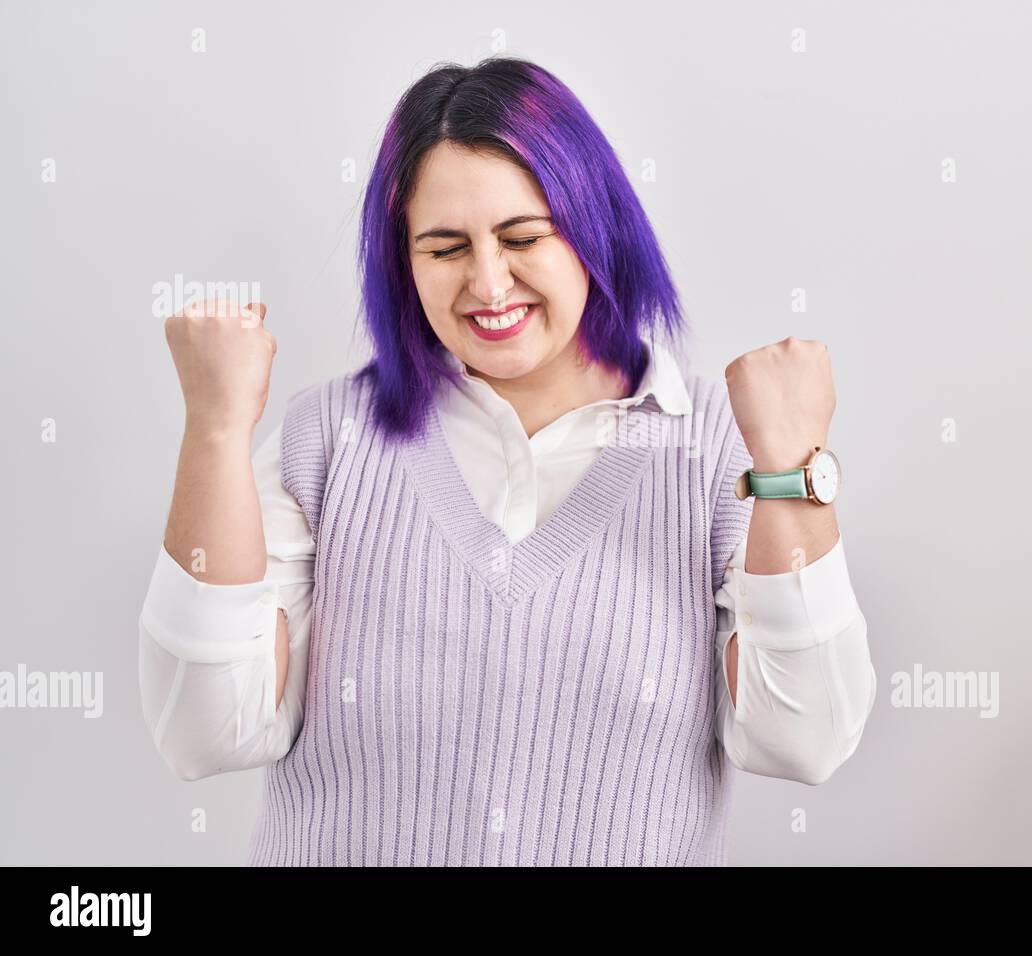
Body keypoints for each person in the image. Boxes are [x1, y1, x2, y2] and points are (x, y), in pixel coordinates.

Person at [137, 56, 877, 867]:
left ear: (596, 227)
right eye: (445, 247)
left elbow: (803, 740)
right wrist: (214, 428)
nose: (489, 285)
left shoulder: (714, 452)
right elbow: (201, 732)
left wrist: (793, 465)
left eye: (523, 237)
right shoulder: (329, 438)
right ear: (403, 258)